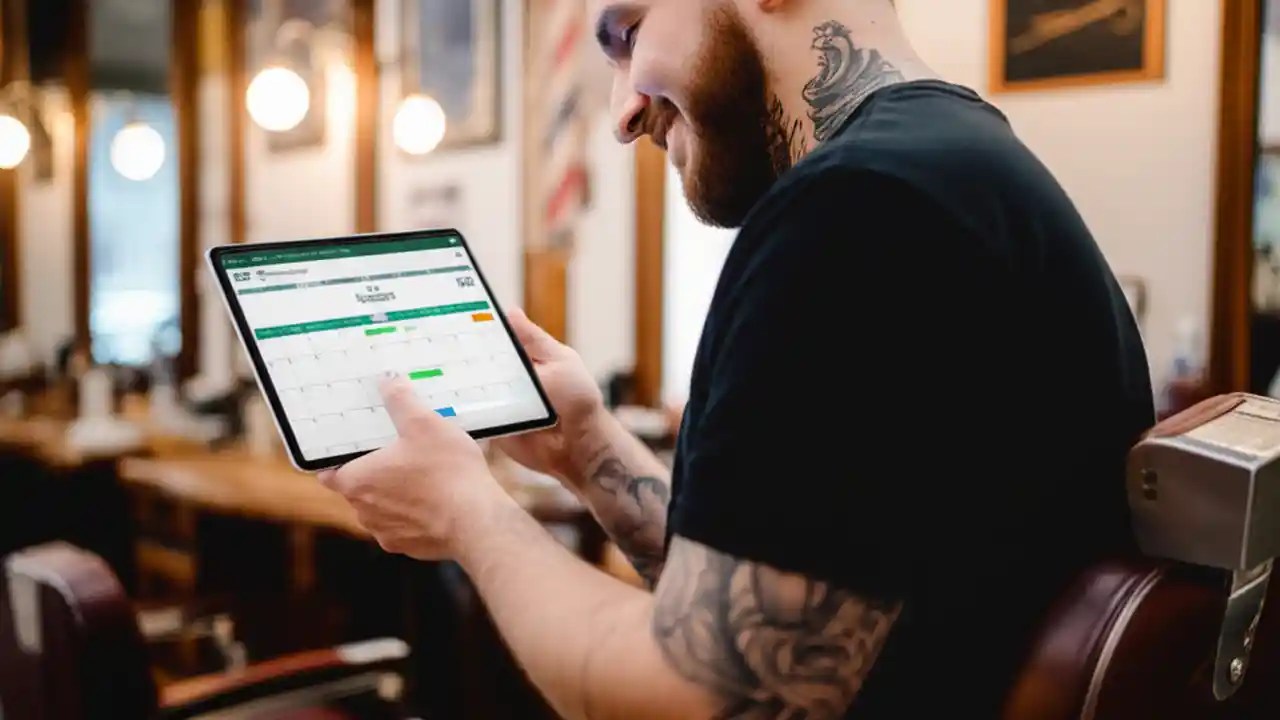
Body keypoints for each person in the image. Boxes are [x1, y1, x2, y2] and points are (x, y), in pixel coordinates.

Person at [319, 0, 1155, 717]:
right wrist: (585, 447)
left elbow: (709, 699)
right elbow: (772, 613)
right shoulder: (948, 171)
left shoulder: (857, 210)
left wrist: (472, 513)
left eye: (626, 32)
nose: (620, 115)